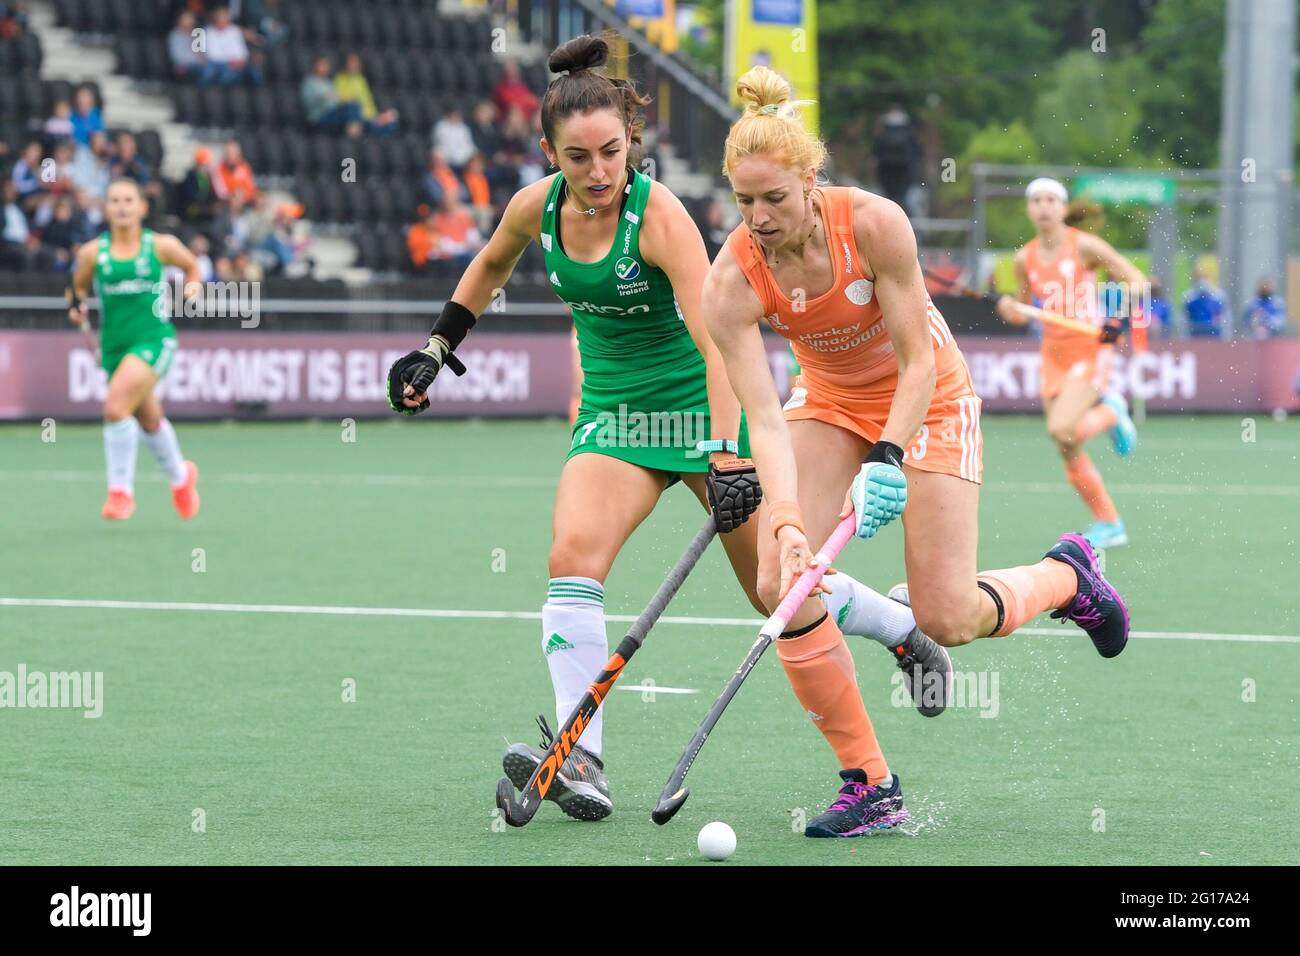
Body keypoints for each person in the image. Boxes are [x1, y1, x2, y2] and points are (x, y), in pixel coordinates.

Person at [389, 37, 949, 824]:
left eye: (612, 152)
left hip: (705, 408)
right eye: (577, 156)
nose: (597, 171)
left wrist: (726, 454)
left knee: (779, 585)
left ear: (632, 145)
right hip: (616, 417)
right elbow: (488, 265)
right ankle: (584, 756)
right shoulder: (535, 207)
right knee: (570, 559)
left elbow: (723, 342)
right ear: (550, 151)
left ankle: (899, 631)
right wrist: (438, 345)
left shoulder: (660, 220)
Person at [703, 67, 1131, 837]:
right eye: (743, 201)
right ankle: (869, 782)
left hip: (925, 398)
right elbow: (763, 419)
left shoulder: (874, 224)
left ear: (811, 179)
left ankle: (1067, 576)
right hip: (829, 398)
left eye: (774, 198)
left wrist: (888, 457)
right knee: (781, 578)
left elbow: (919, 360)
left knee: (950, 613)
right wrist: (791, 520)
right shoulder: (731, 278)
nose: (759, 218)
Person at [997, 181, 1144, 550]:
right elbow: (1023, 308)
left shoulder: (1084, 245)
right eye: (1035, 201)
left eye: (1050, 200)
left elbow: (1137, 281)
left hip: (1089, 349)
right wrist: (1010, 310)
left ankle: (1111, 411)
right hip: (1054, 355)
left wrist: (1119, 320)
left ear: (1062, 208)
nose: (1043, 207)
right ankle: (1110, 521)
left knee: (1062, 428)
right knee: (1067, 444)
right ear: (1029, 209)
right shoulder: (1024, 258)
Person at [66, 179, 202, 521]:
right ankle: (181, 478)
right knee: (149, 419)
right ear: (106, 208)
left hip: (154, 339)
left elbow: (191, 266)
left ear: (142, 207)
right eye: (114, 200)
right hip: (114, 346)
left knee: (115, 408)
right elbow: (76, 289)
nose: (122, 206)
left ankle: (120, 492)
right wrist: (76, 306)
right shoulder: (92, 253)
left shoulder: (160, 246)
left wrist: (193, 286)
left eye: (129, 199)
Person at [1183, 268, 1230, 338]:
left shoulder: (1219, 296)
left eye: (1204, 278)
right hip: (1195, 335)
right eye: (1199, 278)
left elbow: (1226, 317)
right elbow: (1184, 318)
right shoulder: (1189, 296)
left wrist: (1226, 336)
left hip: (1215, 335)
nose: (1202, 281)